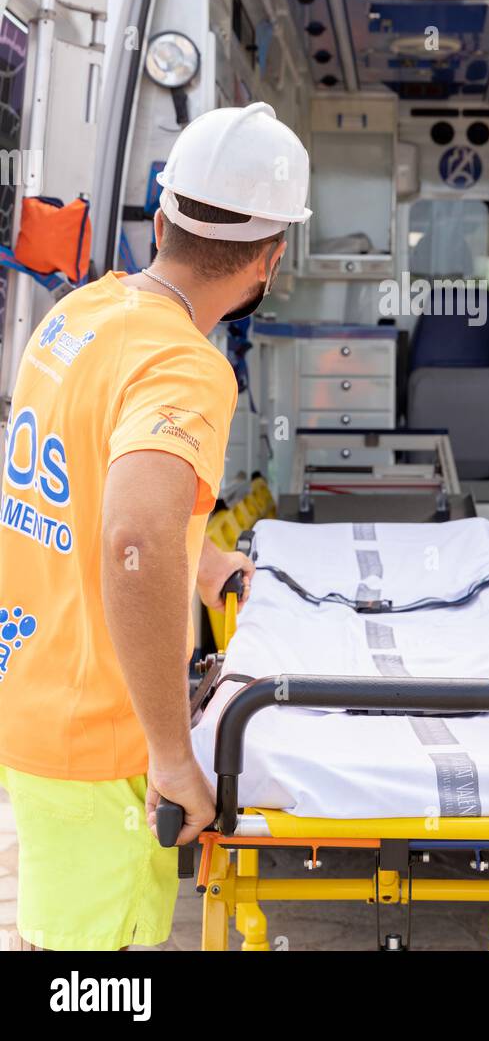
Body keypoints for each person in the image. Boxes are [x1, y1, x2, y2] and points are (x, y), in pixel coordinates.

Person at [0, 101, 311, 951]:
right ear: (272, 257)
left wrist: (206, 566)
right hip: (101, 735)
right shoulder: (183, 365)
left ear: (164, 212)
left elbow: (95, 494)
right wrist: (174, 755)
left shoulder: (81, 316)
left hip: (37, 690)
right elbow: (132, 541)